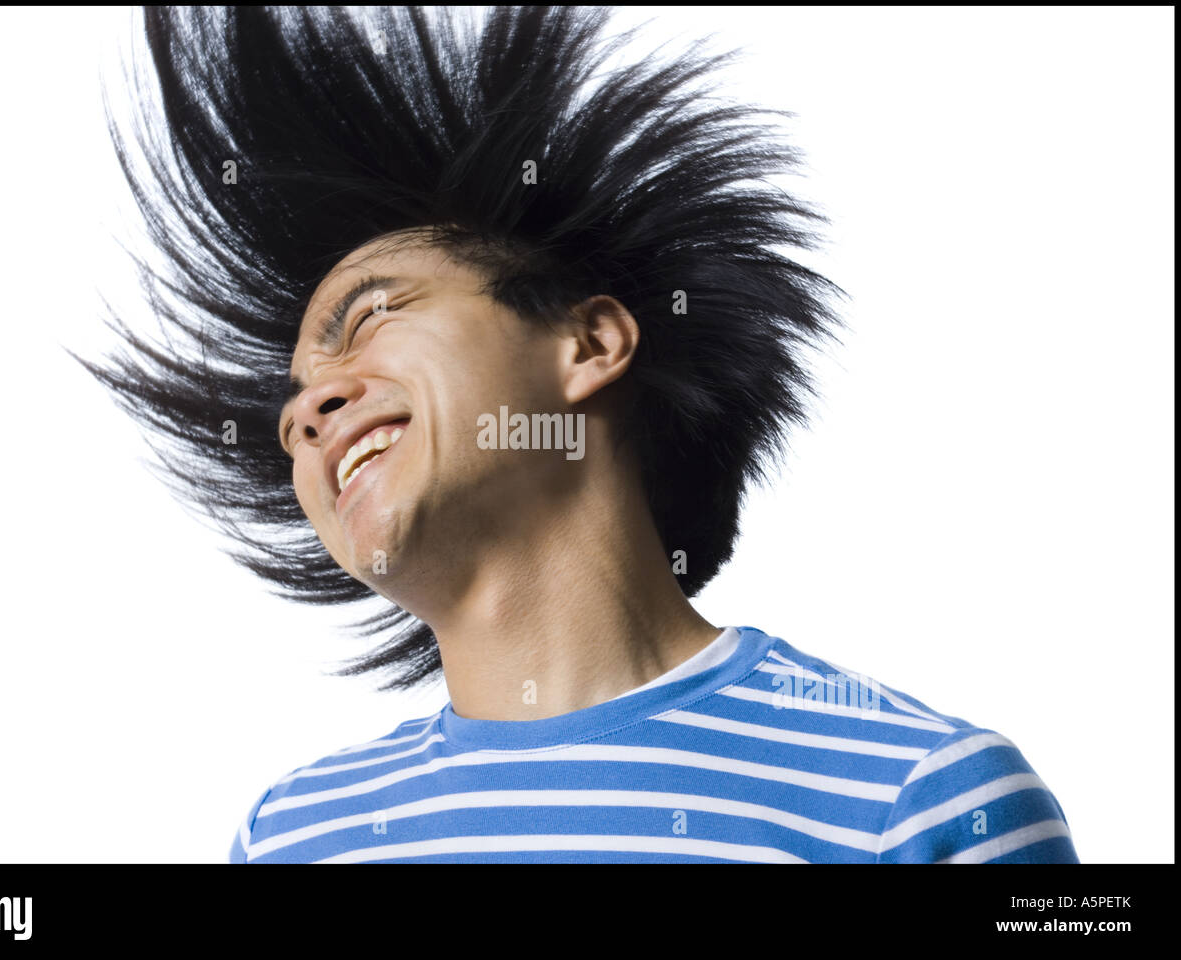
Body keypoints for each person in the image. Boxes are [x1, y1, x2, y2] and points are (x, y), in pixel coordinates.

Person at [79, 6, 1079, 863]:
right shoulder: (293, 834)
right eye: (296, 402)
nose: (307, 411)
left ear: (588, 342)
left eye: (372, 317)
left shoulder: (921, 799)